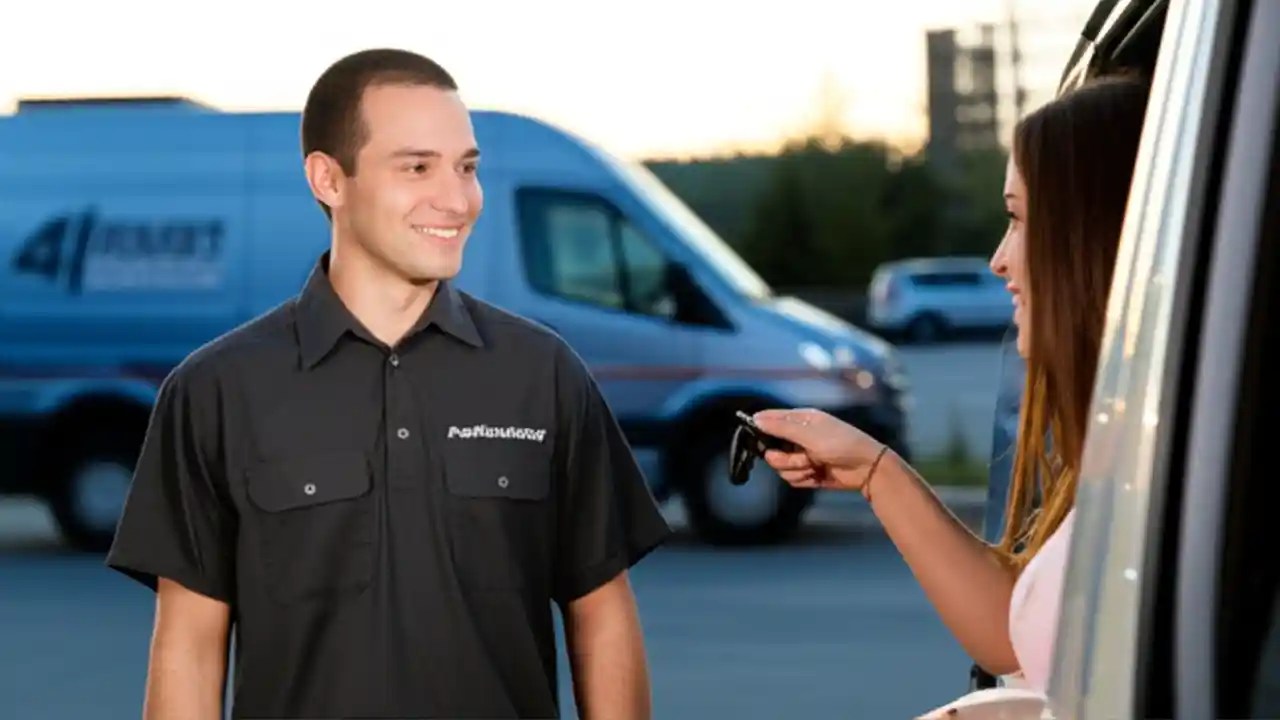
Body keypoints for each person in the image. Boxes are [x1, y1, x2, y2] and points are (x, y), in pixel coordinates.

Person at [106, 48, 672, 720]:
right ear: (328, 179)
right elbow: (190, 645)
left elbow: (602, 611)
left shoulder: (543, 373)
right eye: (417, 167)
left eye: (467, 167)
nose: (458, 199)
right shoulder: (216, 390)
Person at [750, 73, 1151, 707]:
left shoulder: (1167, 464)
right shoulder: (1134, 446)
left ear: (1094, 236)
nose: (998, 259)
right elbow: (1014, 640)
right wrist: (875, 471)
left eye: (1018, 220)